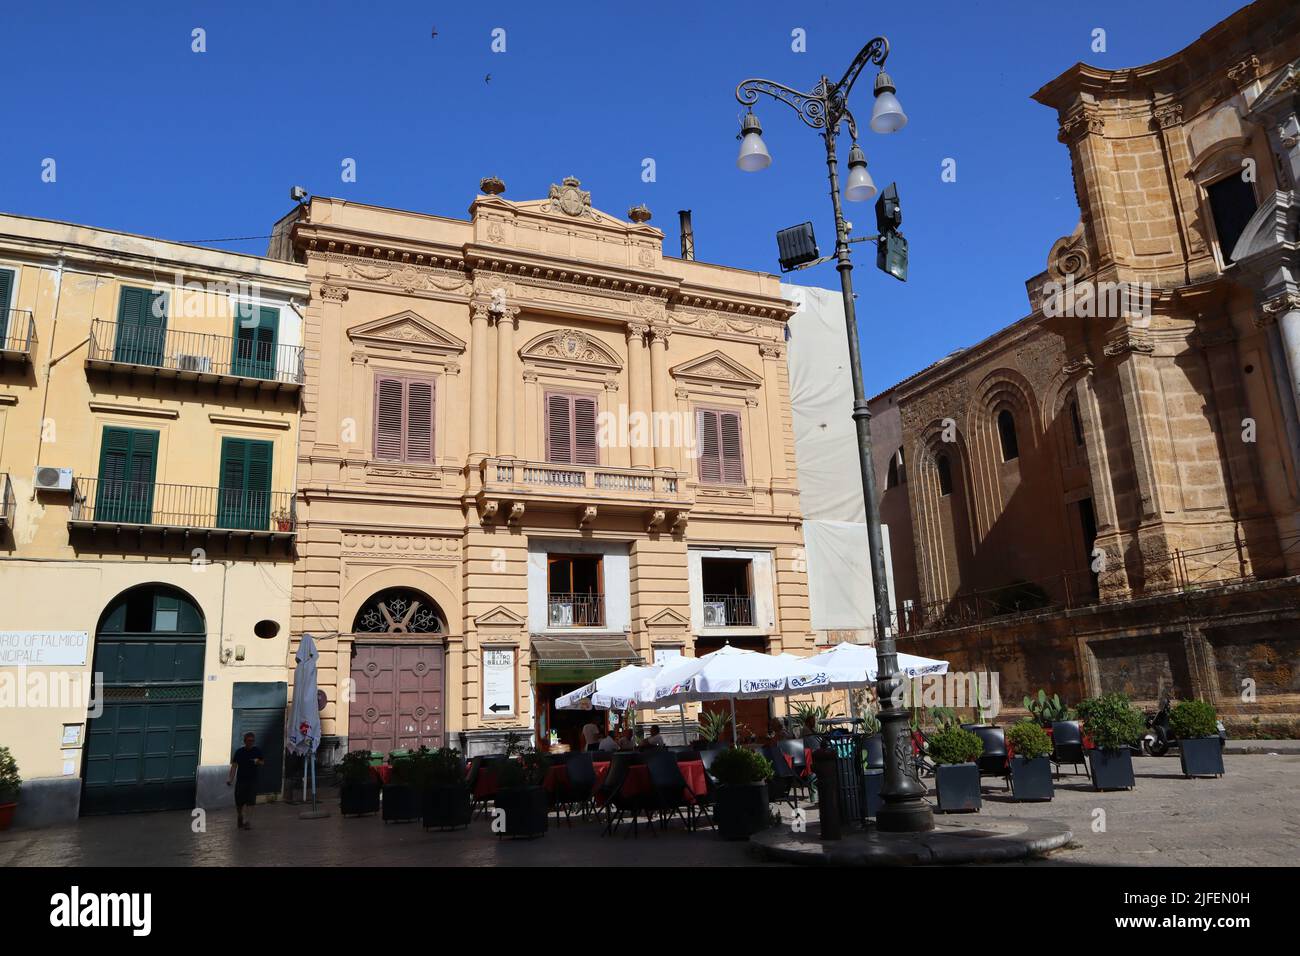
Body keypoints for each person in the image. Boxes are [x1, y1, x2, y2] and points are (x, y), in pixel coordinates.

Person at [227, 731, 264, 830]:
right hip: (241, 780)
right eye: (249, 741)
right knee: (239, 802)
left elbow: (262, 762)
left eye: (252, 741)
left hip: (252, 780)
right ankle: (240, 815)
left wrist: (258, 761)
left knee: (251, 801)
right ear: (244, 741)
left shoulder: (257, 751)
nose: (251, 742)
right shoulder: (239, 752)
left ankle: (248, 821)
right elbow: (234, 766)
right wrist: (230, 779)